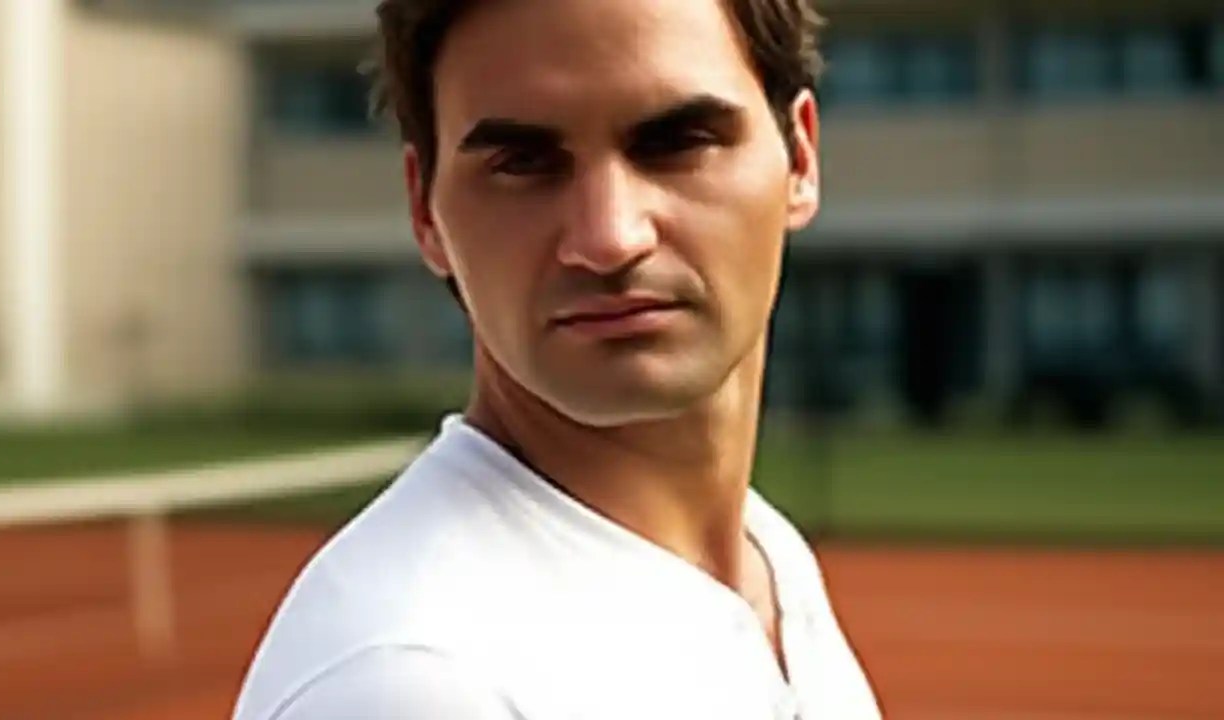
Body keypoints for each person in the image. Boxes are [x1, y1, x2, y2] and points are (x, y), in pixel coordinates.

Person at [234, 0, 880, 717]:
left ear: (800, 157)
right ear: (424, 212)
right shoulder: (411, 684)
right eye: (523, 162)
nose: (610, 237)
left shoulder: (767, 559)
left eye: (677, 141)